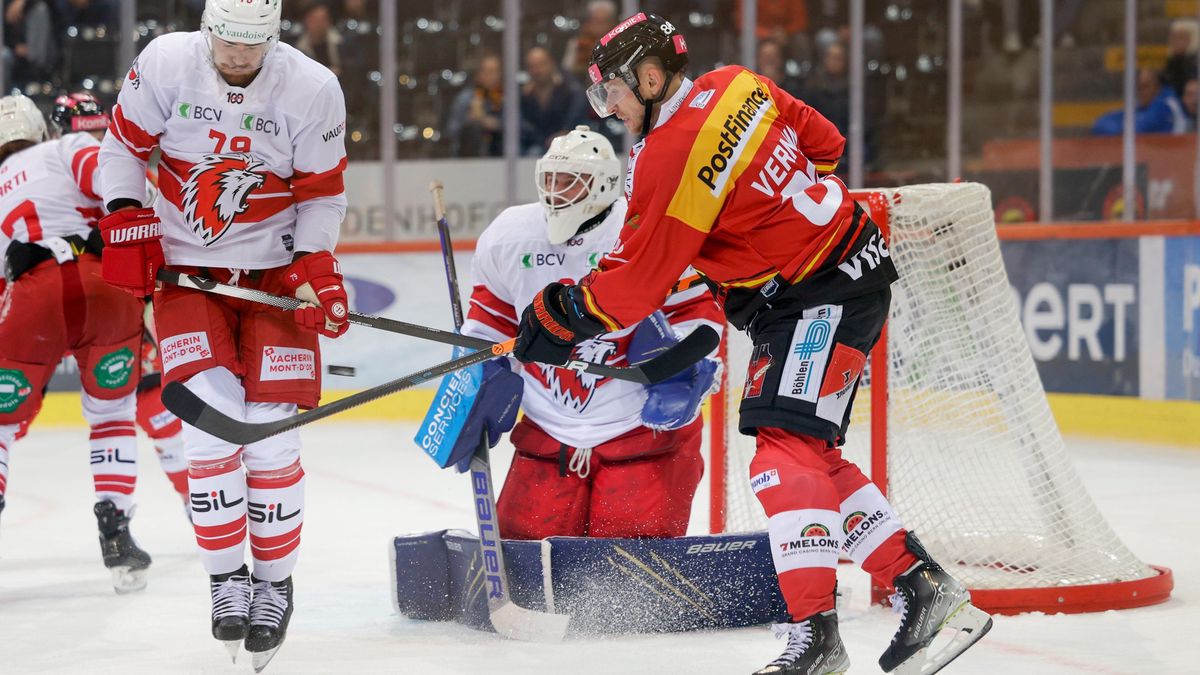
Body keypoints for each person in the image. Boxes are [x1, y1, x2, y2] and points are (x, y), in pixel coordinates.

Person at [511, 13, 992, 675]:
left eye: (615, 89)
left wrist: (562, 314)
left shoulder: (665, 157)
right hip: (833, 276)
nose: (611, 106)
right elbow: (825, 145)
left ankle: (815, 638)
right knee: (811, 455)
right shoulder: (740, 85)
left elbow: (633, 287)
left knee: (779, 459)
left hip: (814, 297)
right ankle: (924, 586)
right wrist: (748, 231)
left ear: (652, 76)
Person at [97, 0, 351, 668]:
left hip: (271, 280)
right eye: (228, 46)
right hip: (188, 278)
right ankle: (224, 579)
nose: (238, 60)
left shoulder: (313, 87)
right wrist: (126, 211)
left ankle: (274, 584)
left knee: (269, 434)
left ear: (274, 38)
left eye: (252, 48)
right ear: (209, 32)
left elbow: (323, 190)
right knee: (213, 423)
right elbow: (122, 146)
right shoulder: (165, 63)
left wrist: (316, 263)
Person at [432, 126, 723, 539]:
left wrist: (685, 372)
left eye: (570, 181)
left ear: (603, 183)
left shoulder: (646, 227)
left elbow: (697, 313)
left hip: (639, 430)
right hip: (547, 430)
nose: (556, 191)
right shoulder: (510, 233)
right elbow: (491, 320)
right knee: (524, 556)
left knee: (630, 570)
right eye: (550, 179)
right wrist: (477, 374)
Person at [0, 92, 152, 593]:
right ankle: (117, 538)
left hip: (29, 301)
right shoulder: (66, 148)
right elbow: (123, 185)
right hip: (101, 287)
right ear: (41, 128)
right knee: (111, 415)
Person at [520, 46, 588, 155]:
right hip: (537, 150)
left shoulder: (569, 90)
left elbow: (578, 114)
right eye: (532, 66)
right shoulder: (525, 96)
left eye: (541, 64)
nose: (537, 70)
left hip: (569, 146)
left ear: (551, 63)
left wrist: (566, 131)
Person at [1093, 67, 1188, 136]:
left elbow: (1137, 129)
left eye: (1145, 86)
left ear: (1158, 87)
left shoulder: (1165, 105)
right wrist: (1119, 131)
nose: (1141, 92)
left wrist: (1121, 130)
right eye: (1139, 87)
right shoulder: (1142, 106)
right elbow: (1100, 123)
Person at [446, 53, 503, 158]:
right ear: (479, 75)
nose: (491, 77)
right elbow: (452, 130)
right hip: (469, 158)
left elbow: (516, 130)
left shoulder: (507, 99)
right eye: (487, 72)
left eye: (494, 72)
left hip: (499, 157)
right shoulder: (465, 99)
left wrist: (485, 120)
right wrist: (470, 119)